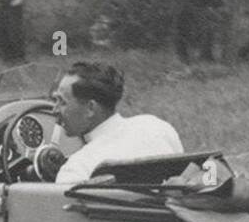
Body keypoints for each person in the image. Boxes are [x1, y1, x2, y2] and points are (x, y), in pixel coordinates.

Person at [49, 61, 184, 184]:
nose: (54, 110)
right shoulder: (158, 127)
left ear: (91, 108)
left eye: (62, 102)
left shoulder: (77, 169)